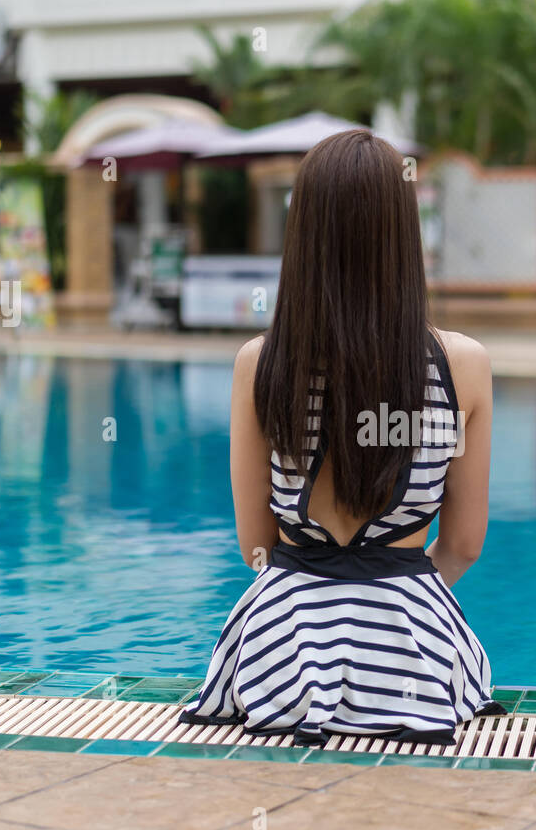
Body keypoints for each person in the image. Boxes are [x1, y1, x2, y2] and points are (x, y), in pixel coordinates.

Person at [181, 129, 503, 746]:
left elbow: (256, 545)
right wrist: (390, 596)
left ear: (302, 235)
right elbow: (463, 545)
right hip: (413, 656)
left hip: (282, 658)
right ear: (402, 236)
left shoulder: (260, 363)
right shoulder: (462, 364)